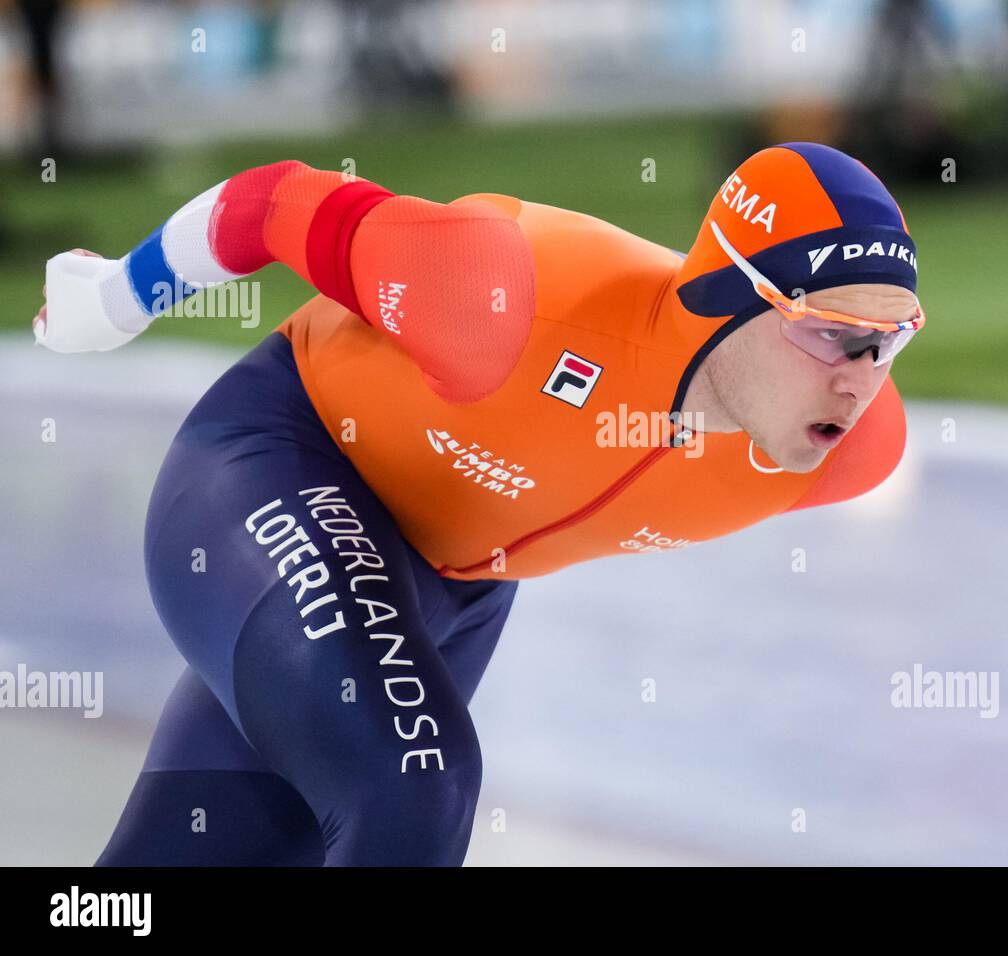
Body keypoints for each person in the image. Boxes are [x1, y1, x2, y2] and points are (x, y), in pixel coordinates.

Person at [33, 142, 925, 866]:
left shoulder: (848, 453)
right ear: (731, 297)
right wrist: (116, 297)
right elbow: (273, 202)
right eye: (833, 335)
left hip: (451, 588)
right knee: (413, 782)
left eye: (890, 342)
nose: (861, 381)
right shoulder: (498, 301)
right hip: (281, 466)